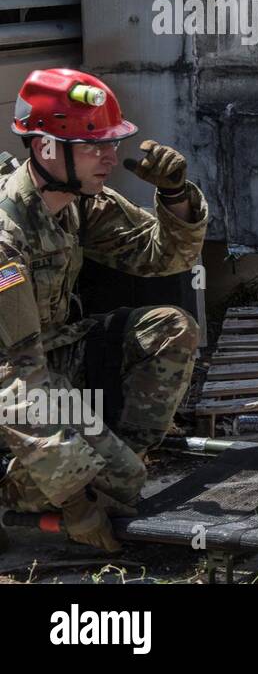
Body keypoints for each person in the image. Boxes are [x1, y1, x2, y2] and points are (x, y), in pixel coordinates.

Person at [0, 69, 208, 553]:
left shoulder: (74, 203)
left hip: (49, 370)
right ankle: (32, 489)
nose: (111, 158)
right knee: (112, 480)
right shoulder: (5, 242)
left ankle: (109, 470)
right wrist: (75, 502)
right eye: (95, 146)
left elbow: (164, 256)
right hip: (15, 388)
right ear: (47, 148)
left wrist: (175, 195)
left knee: (169, 330)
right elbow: (16, 377)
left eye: (112, 145)